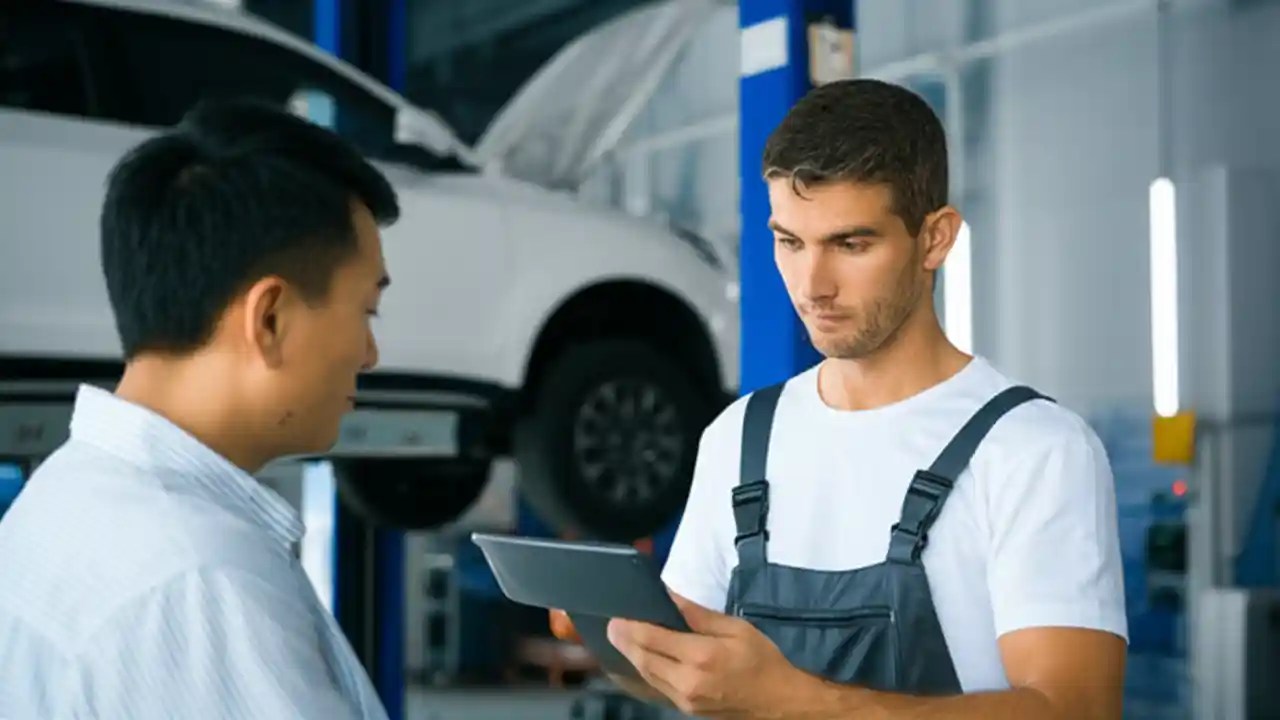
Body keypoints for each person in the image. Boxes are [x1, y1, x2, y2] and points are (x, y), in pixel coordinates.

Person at [601, 79, 1129, 718]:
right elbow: (695, 676)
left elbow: (1076, 709)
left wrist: (795, 701)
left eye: (850, 245)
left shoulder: (1034, 451)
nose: (812, 285)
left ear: (935, 238)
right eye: (789, 242)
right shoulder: (740, 437)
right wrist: (619, 643)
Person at [0, 99, 398, 719]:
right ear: (270, 319)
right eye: (366, 312)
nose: (370, 353)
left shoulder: (61, 498)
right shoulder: (199, 580)